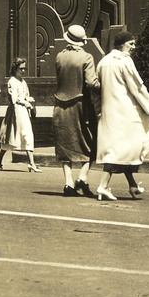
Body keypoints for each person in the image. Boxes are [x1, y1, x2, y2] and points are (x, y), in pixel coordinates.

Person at [94, 31, 149, 201]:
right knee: (128, 147)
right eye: (131, 44)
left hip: (109, 112)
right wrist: (148, 104)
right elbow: (136, 86)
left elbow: (97, 87)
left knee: (121, 149)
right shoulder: (124, 61)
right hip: (126, 111)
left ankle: (132, 185)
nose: (134, 48)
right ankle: (103, 185)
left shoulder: (104, 61)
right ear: (122, 44)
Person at [52, 24, 99, 197]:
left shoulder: (59, 56)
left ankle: (68, 183)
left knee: (64, 145)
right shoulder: (86, 57)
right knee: (89, 142)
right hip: (81, 105)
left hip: (60, 105)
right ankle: (83, 177)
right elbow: (91, 83)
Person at [0, 57, 40, 172]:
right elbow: (14, 99)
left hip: (23, 112)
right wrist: (26, 103)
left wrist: (30, 101)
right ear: (15, 69)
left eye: (24, 69)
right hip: (15, 112)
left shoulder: (23, 82)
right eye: (21, 69)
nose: (23, 71)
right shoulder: (12, 81)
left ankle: (31, 163)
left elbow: (25, 96)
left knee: (27, 135)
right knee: (11, 137)